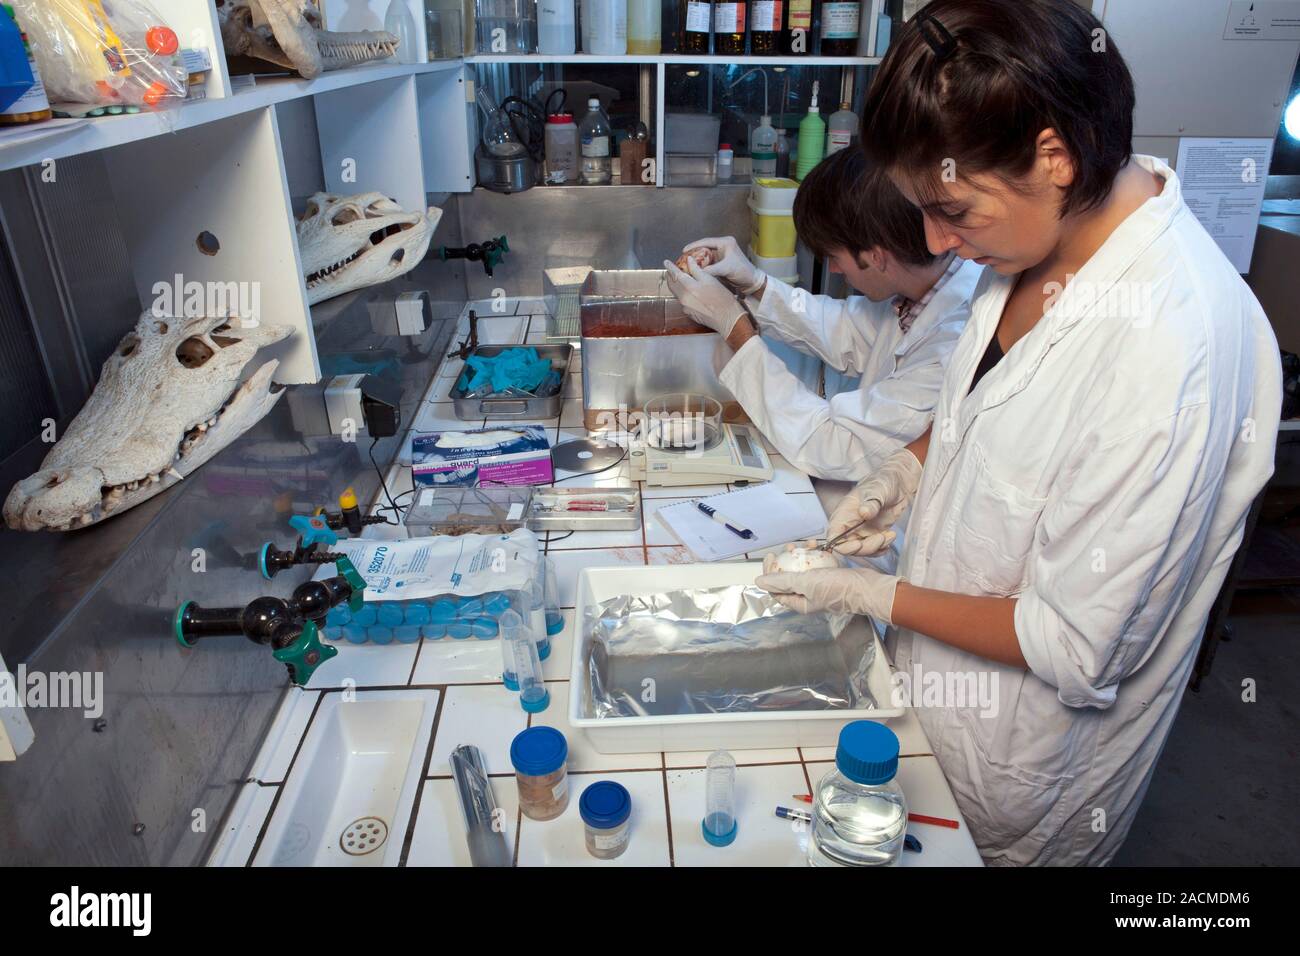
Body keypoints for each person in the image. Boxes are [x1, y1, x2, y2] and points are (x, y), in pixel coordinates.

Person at [756, 0, 1282, 866]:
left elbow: (1075, 648)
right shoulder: (1034, 245)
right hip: (924, 708)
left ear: (1054, 154)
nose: (935, 241)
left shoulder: (1169, 348)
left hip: (1021, 764)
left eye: (951, 208)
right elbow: (975, 416)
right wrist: (905, 472)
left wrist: (866, 594)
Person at [663, 148, 982, 482]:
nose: (833, 268)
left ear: (877, 256)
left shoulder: (950, 346)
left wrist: (737, 330)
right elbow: (845, 329)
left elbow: (834, 445)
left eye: (833, 256)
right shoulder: (921, 293)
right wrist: (756, 284)